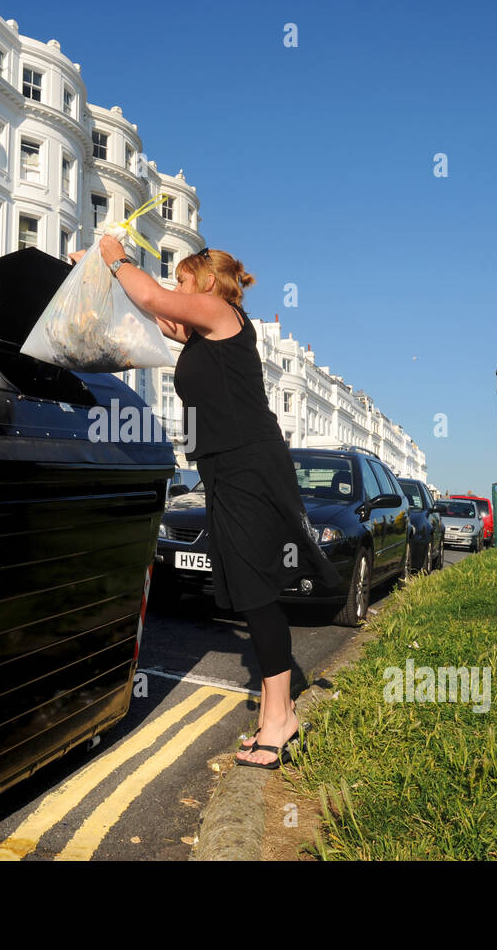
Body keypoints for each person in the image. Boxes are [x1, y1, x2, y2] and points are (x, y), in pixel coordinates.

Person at [70, 236, 341, 768]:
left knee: (257, 592)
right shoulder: (203, 333)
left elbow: (151, 298)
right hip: (225, 466)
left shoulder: (221, 312)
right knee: (247, 589)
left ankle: (279, 719)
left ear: (206, 284)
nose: (177, 288)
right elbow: (149, 308)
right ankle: (275, 713)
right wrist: (94, 274)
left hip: (248, 464)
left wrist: (116, 255)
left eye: (183, 280)